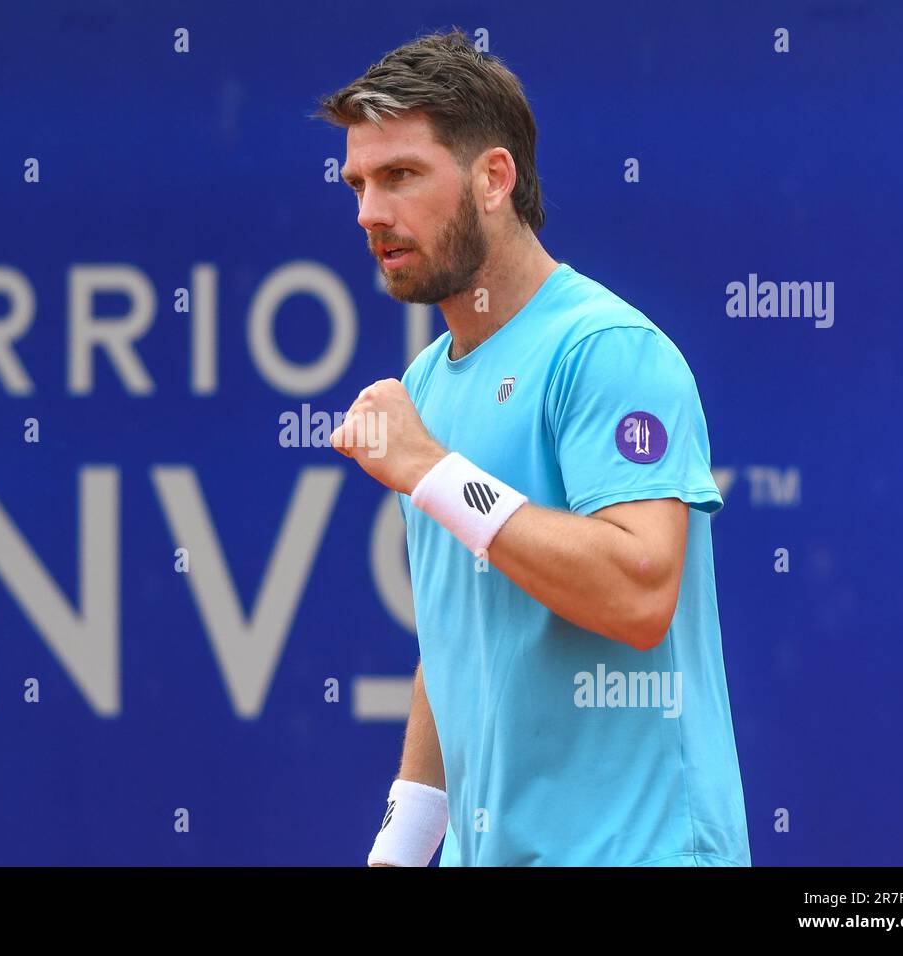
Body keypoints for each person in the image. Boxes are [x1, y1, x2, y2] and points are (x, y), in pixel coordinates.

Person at [317, 29, 751, 866]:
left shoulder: (607, 349)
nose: (371, 210)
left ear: (493, 178)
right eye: (359, 184)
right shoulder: (430, 384)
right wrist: (401, 851)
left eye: (401, 175)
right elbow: (459, 640)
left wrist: (435, 470)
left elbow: (638, 592)